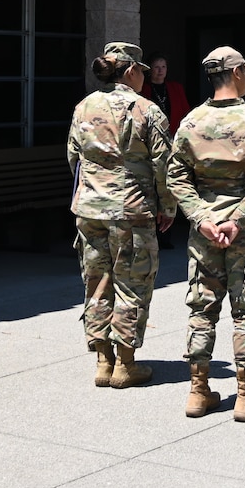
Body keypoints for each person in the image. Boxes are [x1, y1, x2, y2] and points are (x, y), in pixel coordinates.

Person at [168, 46, 245, 421]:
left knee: (201, 309)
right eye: (244, 71)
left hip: (205, 234)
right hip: (244, 232)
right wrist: (239, 218)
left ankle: (198, 392)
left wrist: (202, 218)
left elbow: (176, 176)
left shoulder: (190, 122)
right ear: (235, 73)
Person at [67, 41, 176, 389]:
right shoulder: (146, 110)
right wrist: (168, 205)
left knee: (96, 282)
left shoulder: (83, 107)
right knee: (132, 283)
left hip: (89, 209)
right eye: (141, 71)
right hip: (131, 210)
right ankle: (125, 363)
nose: (143, 77)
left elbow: (74, 157)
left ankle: (103, 360)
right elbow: (163, 165)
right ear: (130, 70)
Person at [143, 54, 192, 131]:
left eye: (163, 67)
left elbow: (186, 112)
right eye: (157, 67)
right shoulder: (143, 89)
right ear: (149, 69)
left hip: (175, 132)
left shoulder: (177, 88)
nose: (160, 70)